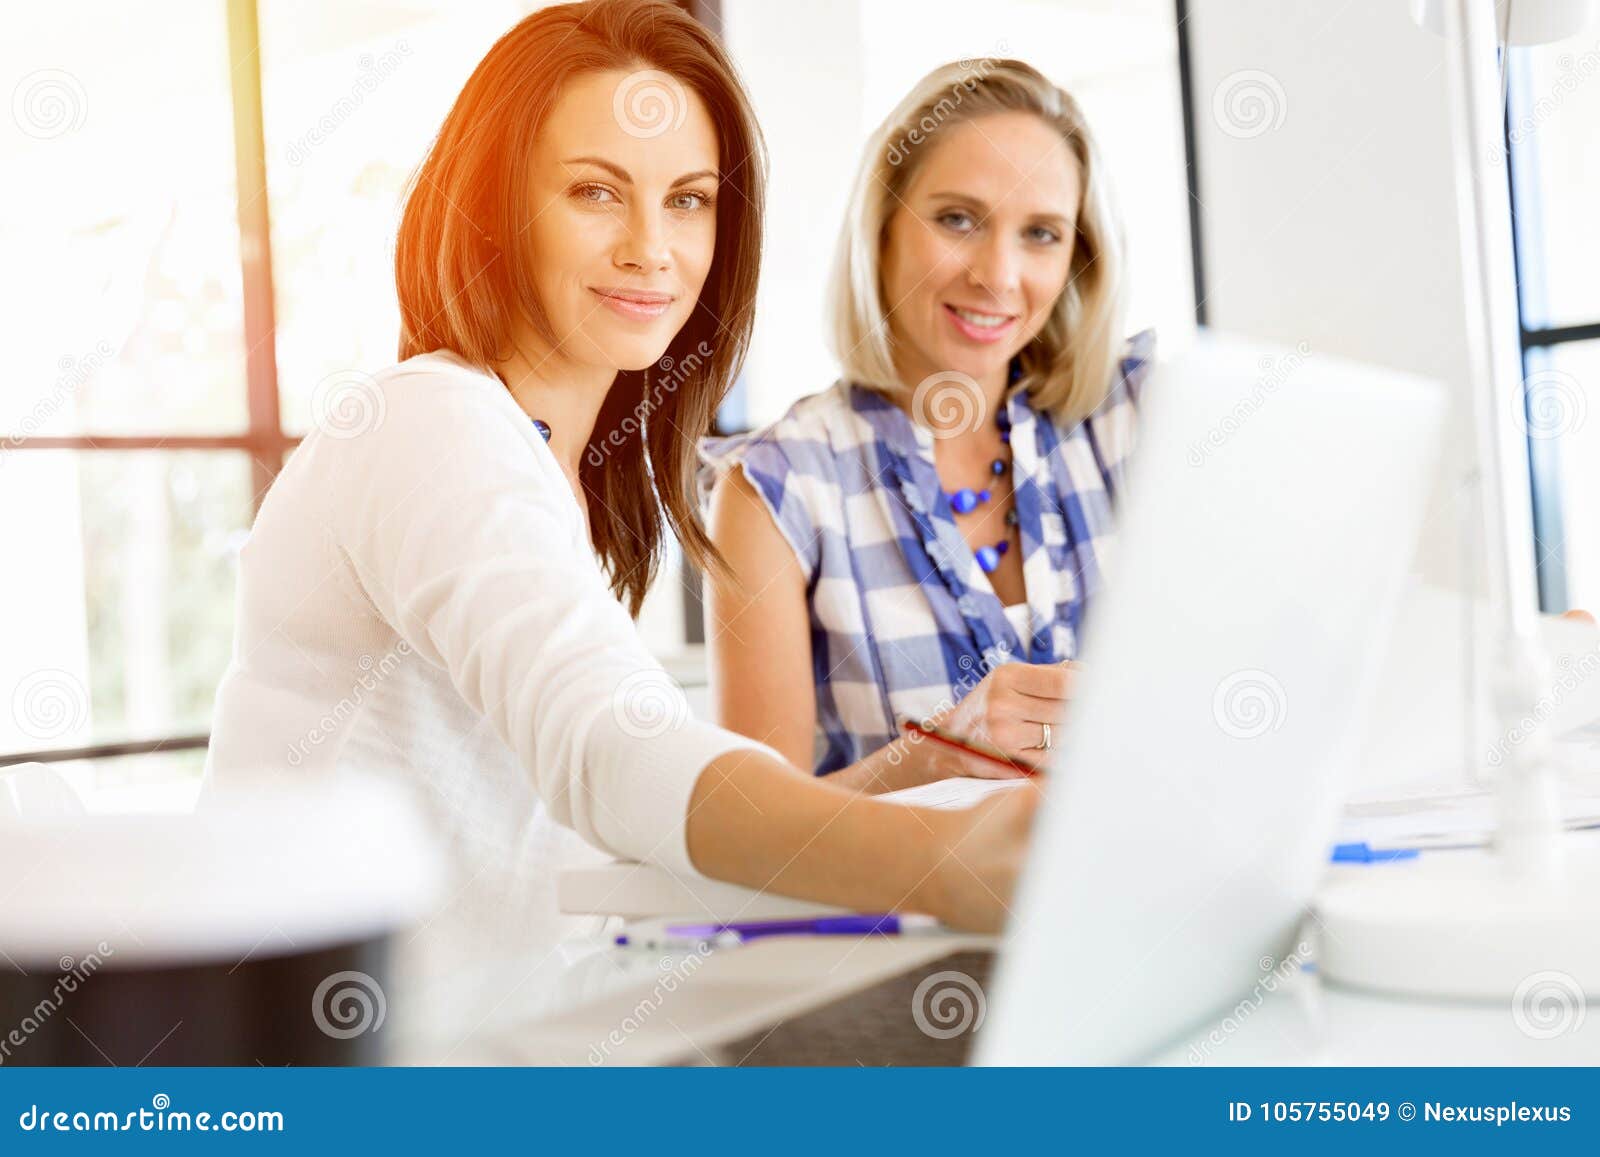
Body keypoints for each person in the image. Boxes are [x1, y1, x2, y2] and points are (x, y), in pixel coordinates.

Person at [204, 0, 1036, 980]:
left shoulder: (572, 480)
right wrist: (931, 861)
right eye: (597, 192)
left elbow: (634, 832)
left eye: (688, 199)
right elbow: (610, 750)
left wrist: (924, 766)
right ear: (494, 205)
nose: (653, 246)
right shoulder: (425, 423)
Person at [703, 59, 1150, 790]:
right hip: (916, 907)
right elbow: (753, 834)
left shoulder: (1136, 416)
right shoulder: (777, 488)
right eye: (957, 219)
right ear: (881, 232)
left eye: (1041, 233)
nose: (998, 275)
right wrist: (938, 752)